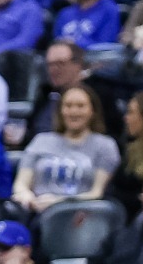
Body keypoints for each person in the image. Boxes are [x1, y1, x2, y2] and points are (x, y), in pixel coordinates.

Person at [14, 78, 118, 211]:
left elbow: (96, 193)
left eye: (80, 106)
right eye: (68, 106)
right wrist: (27, 197)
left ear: (92, 111)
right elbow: (21, 184)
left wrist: (59, 203)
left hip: (82, 215)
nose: (74, 112)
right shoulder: (40, 141)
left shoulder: (105, 145)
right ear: (60, 111)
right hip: (37, 212)